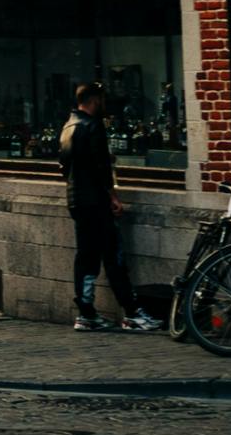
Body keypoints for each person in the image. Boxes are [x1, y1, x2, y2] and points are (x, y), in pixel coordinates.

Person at [60, 80, 161, 333]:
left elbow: (64, 166)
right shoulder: (93, 126)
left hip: (76, 199)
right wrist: (113, 196)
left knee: (87, 257)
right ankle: (132, 313)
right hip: (96, 201)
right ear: (95, 100)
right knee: (113, 256)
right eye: (103, 100)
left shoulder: (67, 127)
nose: (105, 105)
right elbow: (101, 166)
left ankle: (86, 312)